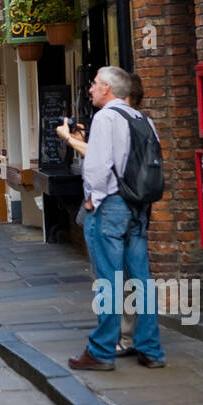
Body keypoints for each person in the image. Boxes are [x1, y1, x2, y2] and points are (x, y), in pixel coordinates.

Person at [66, 66, 165, 371]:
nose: (91, 89)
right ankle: (150, 349)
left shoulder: (106, 117)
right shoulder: (142, 118)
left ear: (107, 88)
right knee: (142, 279)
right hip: (138, 207)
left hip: (109, 205)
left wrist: (92, 198)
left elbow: (97, 166)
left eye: (95, 84)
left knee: (109, 280)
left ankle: (100, 351)